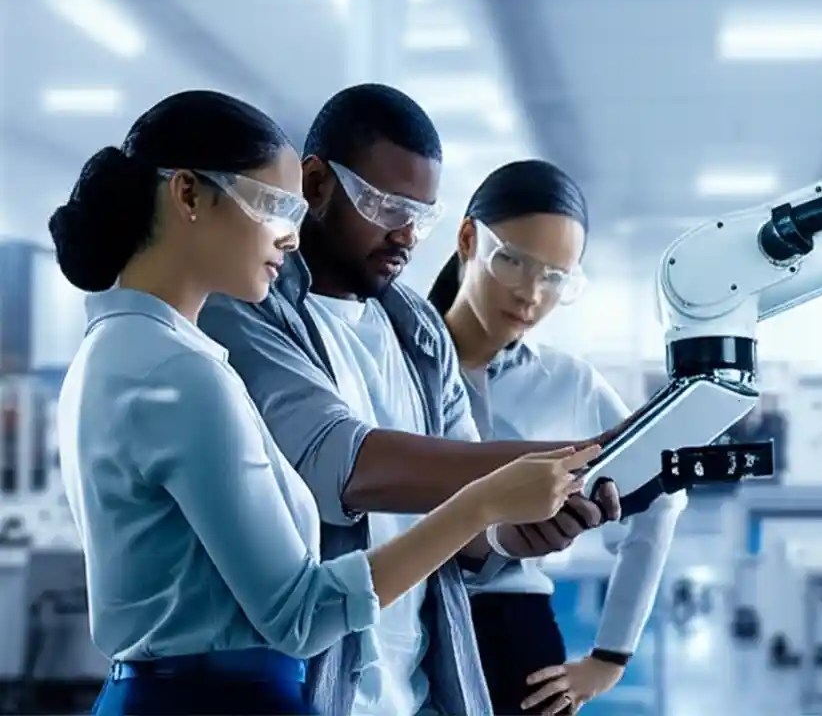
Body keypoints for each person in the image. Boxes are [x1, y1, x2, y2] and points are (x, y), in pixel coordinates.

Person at [51, 90, 597, 716]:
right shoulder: (183, 370)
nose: (289, 235)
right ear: (188, 195)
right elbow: (302, 612)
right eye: (272, 207)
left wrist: (496, 522)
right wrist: (486, 496)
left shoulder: (124, 348)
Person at [197, 84, 623, 716]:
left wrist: (515, 532)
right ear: (315, 184)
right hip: (309, 686)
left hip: (419, 691)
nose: (406, 235)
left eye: (420, 217)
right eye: (384, 206)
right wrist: (546, 465)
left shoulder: (420, 334)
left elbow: (467, 527)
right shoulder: (246, 310)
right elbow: (343, 465)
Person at [426, 159, 688, 715]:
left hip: (510, 633)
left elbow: (660, 492)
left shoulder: (569, 383)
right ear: (468, 239)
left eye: (554, 278)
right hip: (400, 613)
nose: (530, 294)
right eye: (513, 261)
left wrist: (611, 655)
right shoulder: (390, 357)